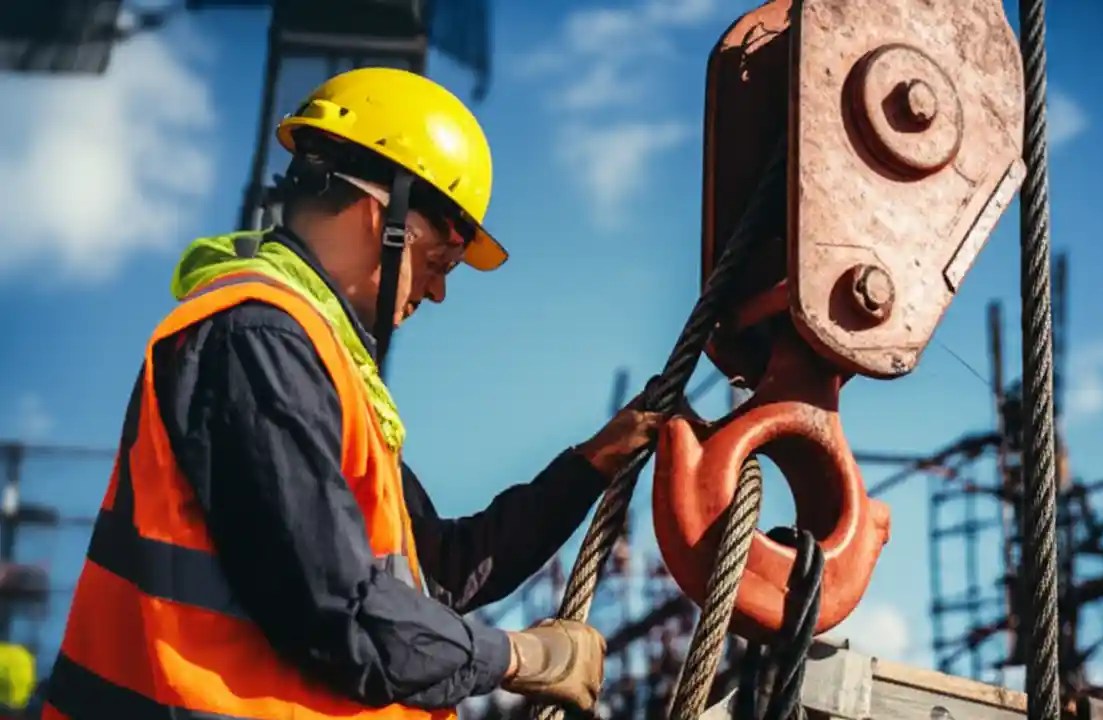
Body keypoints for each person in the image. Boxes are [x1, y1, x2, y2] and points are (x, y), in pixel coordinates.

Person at [41, 67, 662, 719]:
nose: (439, 290)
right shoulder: (255, 341)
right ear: (381, 214)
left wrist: (594, 462)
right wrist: (517, 657)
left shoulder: (315, 359)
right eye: (442, 260)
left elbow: (440, 573)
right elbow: (343, 611)